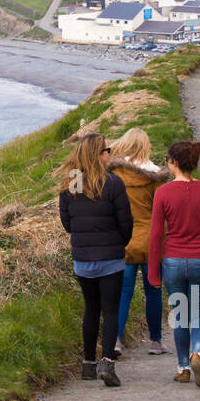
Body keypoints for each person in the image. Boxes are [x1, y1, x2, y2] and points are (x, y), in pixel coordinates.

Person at [58, 131, 133, 387]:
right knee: (110, 311)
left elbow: (67, 224)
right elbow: (126, 223)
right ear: (99, 154)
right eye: (106, 150)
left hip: (83, 258)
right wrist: (119, 243)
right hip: (110, 257)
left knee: (91, 309)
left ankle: (88, 363)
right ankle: (107, 363)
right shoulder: (112, 183)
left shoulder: (72, 183)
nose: (109, 154)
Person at [147, 140, 200, 387]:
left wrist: (153, 269)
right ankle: (197, 352)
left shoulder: (163, 192)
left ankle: (183, 366)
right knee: (199, 313)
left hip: (173, 260)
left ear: (174, 162)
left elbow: (156, 234)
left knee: (180, 315)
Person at [107, 128, 170, 358]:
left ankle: (116, 339)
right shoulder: (155, 177)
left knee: (123, 293)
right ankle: (155, 341)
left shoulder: (114, 175)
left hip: (123, 241)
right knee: (153, 291)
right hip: (149, 242)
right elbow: (162, 214)